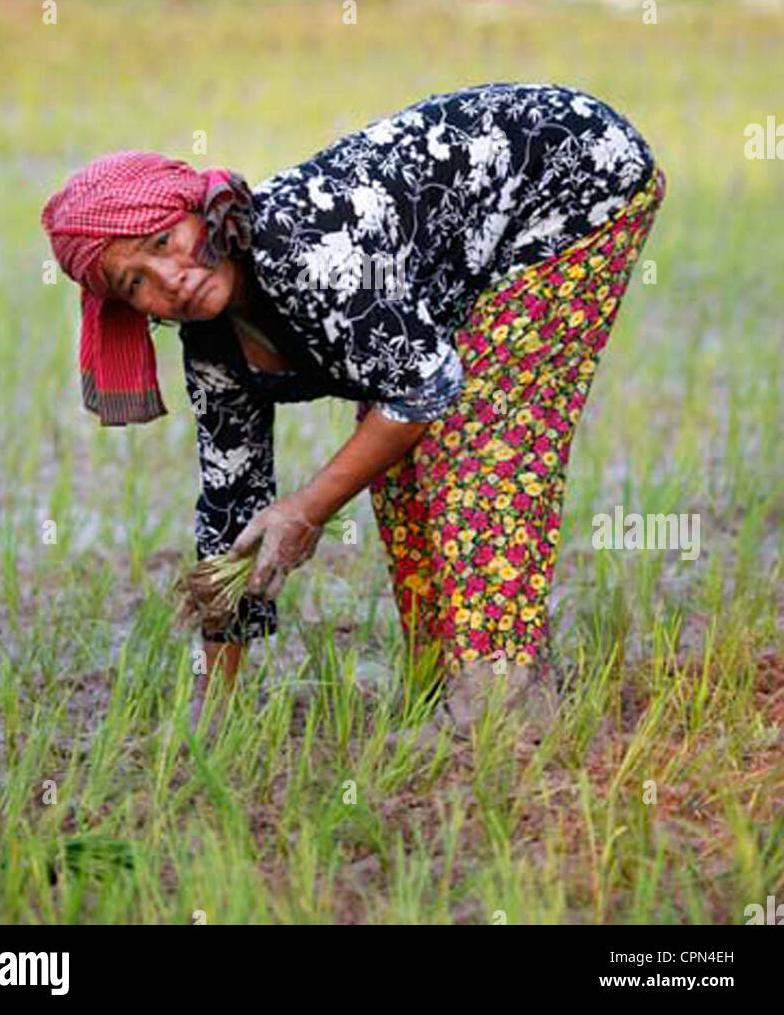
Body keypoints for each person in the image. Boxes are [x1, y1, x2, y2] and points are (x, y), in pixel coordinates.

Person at [41, 82, 665, 742]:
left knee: (473, 440)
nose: (171, 279)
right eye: (136, 280)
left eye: (166, 239)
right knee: (394, 459)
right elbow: (231, 510)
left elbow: (426, 386)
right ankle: (440, 684)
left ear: (202, 211)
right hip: (474, 242)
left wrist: (308, 509)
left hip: (572, 176)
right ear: (126, 308)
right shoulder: (214, 350)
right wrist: (212, 710)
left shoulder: (309, 249)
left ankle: (501, 706)